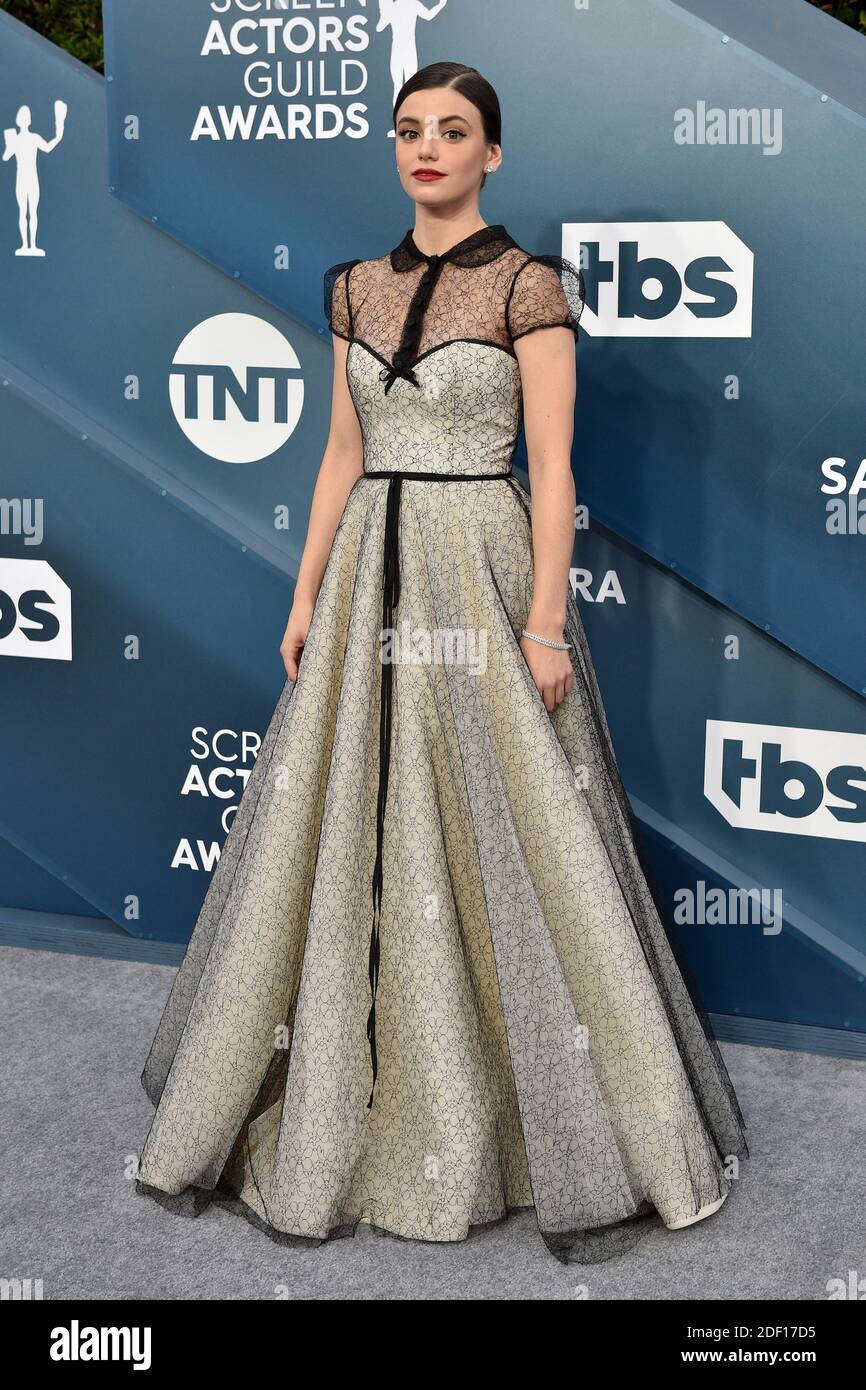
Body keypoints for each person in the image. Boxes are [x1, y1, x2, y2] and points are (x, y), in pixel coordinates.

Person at [136, 61, 748, 1265]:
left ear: (492, 155)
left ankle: (548, 1119)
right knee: (354, 819)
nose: (426, 148)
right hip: (369, 565)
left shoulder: (530, 288)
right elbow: (337, 455)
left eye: (452, 131)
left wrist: (540, 622)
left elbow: (557, 474)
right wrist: (305, 590)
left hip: (481, 557)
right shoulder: (352, 288)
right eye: (409, 130)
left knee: (512, 828)